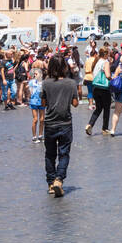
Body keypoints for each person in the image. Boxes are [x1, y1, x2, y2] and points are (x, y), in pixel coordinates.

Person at [42, 54, 78, 197]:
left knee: (50, 154)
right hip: (65, 123)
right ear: (65, 67)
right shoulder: (71, 83)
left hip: (50, 123)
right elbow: (75, 104)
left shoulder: (46, 83)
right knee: (64, 153)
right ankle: (59, 179)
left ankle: (51, 183)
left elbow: (43, 103)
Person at [85, 49, 112, 136]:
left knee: (98, 108)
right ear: (106, 54)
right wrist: (112, 79)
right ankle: (105, 128)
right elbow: (107, 75)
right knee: (106, 108)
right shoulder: (105, 62)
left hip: (96, 88)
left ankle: (90, 124)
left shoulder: (97, 61)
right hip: (104, 88)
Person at [28, 62, 45, 142]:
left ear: (41, 75)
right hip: (34, 102)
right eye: (34, 74)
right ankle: (34, 136)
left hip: (41, 102)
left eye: (36, 74)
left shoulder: (43, 83)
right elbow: (30, 91)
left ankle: (41, 135)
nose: (35, 75)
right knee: (35, 119)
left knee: (42, 119)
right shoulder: (32, 82)